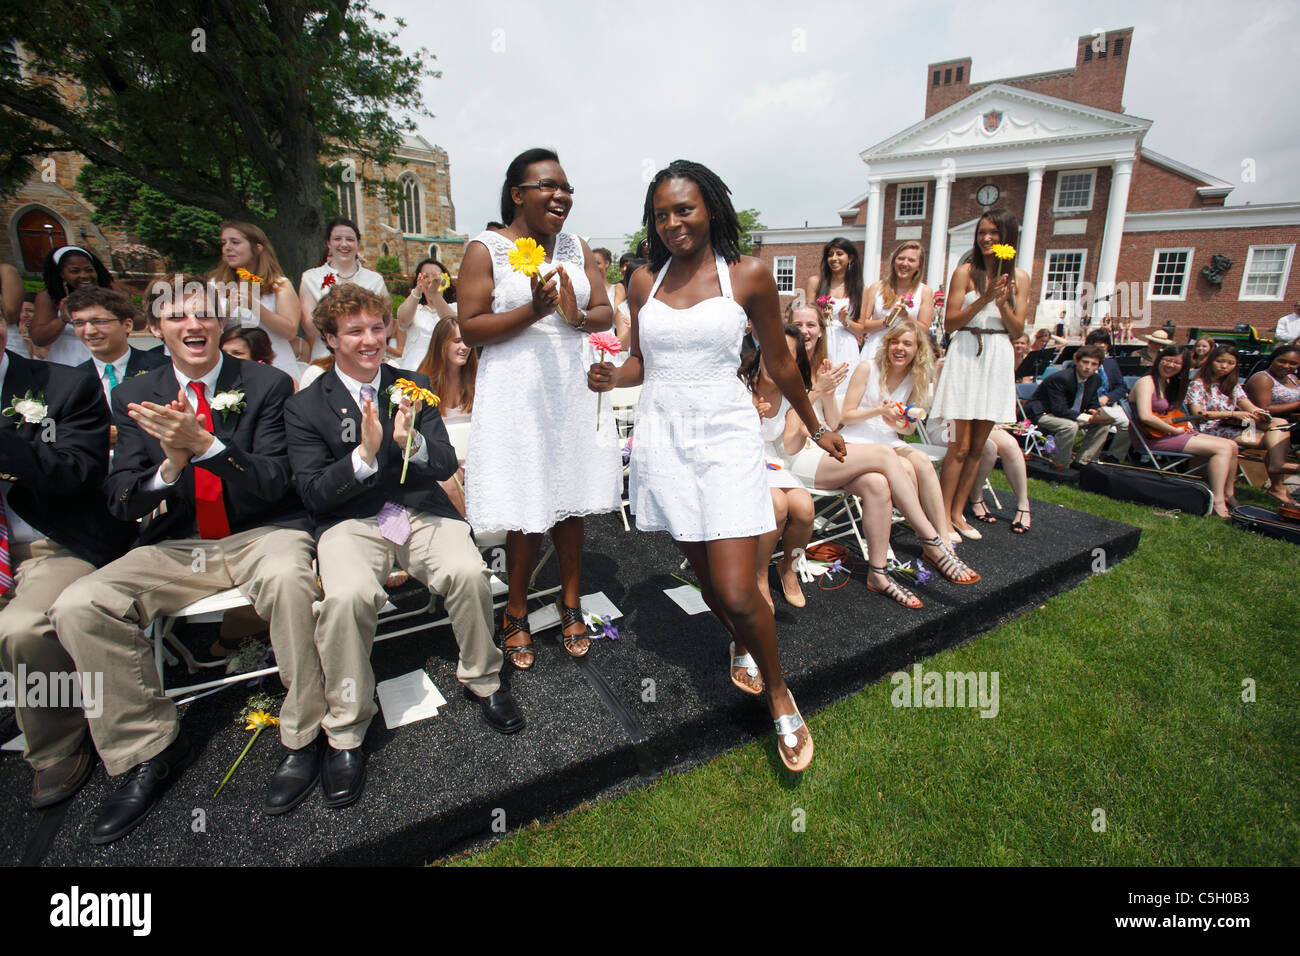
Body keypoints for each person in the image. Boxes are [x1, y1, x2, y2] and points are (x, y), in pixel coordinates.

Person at [588, 160, 848, 772]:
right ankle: (740, 642)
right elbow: (639, 364)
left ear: (711, 209)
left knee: (737, 586)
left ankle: (781, 695)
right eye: (662, 214)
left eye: (685, 209)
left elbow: (782, 365)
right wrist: (609, 375)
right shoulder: (643, 281)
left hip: (726, 437)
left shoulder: (747, 276)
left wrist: (817, 426)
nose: (674, 222)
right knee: (708, 584)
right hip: (664, 441)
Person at [50, 278, 321, 841]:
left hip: (261, 532)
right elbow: (122, 498)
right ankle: (143, 751)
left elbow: (276, 481)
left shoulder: (267, 383)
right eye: (176, 317)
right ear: (155, 329)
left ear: (222, 324)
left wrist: (209, 448)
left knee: (290, 579)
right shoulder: (135, 395)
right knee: (80, 604)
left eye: (203, 315)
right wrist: (169, 467)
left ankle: (305, 734)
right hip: (178, 544)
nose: (192, 326)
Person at [284, 285, 522, 789]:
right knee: (347, 596)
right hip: (352, 520)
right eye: (355, 332)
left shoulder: (413, 384)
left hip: (411, 511)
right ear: (329, 337)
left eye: (378, 328)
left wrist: (408, 441)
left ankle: (484, 678)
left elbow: (440, 463)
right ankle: (346, 729)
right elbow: (312, 494)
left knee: (467, 571)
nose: (371, 340)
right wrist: (364, 457)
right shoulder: (306, 406)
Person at [458, 148, 621, 669]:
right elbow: (471, 327)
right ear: (517, 194)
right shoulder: (486, 248)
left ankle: (570, 600)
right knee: (527, 503)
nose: (561, 196)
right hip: (516, 391)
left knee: (570, 500)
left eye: (567, 188)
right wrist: (533, 310)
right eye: (548, 186)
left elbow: (602, 312)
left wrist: (573, 315)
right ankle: (517, 609)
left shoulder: (577, 246)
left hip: (569, 388)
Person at [0, 314, 136, 809]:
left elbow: (78, 472)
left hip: (48, 543)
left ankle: (56, 740)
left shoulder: (63, 385)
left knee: (21, 629)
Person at [787, 306, 977, 601]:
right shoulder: (780, 367)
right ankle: (931, 539)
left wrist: (825, 395)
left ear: (821, 330)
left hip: (829, 447)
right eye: (798, 324)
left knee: (878, 483)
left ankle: (878, 573)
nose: (805, 331)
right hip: (800, 455)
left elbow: (833, 421)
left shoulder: (822, 366)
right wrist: (816, 393)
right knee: (887, 457)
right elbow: (788, 439)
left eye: (811, 324)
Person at [932, 210, 1028, 541]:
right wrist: (985, 298)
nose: (986, 238)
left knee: (978, 447)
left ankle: (959, 512)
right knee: (958, 445)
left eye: (993, 233)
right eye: (982, 232)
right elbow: (951, 322)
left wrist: (1001, 303)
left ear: (1008, 238)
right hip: (964, 356)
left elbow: (1017, 329)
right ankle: (941, 516)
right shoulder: (965, 272)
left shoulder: (1020, 278)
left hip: (997, 358)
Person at [839, 319, 956, 542]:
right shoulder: (868, 368)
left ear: (917, 349)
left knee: (921, 460)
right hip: (858, 436)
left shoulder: (915, 377)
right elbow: (846, 416)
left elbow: (909, 427)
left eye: (907, 344)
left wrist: (893, 421)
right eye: (894, 342)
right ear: (887, 344)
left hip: (888, 439)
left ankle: (942, 531)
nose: (899, 348)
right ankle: (926, 534)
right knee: (906, 467)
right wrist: (878, 411)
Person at [741, 325, 815, 611]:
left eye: (786, 356)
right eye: (772, 352)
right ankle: (759, 576)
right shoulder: (740, 384)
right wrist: (748, 422)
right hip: (740, 460)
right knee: (777, 504)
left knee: (805, 507)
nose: (775, 360)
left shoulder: (791, 395)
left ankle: (789, 567)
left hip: (771, 461)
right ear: (761, 353)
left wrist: (807, 432)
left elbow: (791, 445)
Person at [1129, 345, 1240, 517]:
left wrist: (1184, 425)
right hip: (1151, 437)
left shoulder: (1168, 383)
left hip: (1166, 432)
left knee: (1232, 445)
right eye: (1167, 360)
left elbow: (1169, 413)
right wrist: (1173, 431)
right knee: (1222, 448)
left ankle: (1228, 492)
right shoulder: (1146, 382)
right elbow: (1145, 417)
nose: (1170, 365)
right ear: (1159, 359)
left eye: (1177, 363)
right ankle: (1217, 500)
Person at [1191, 346, 1294, 504]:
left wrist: (1259, 413)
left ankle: (1276, 465)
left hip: (1234, 427)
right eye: (1220, 361)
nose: (1224, 366)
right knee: (1274, 439)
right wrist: (1233, 414)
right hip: (1209, 429)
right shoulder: (1198, 384)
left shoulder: (1232, 385)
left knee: (1280, 423)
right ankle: (1277, 473)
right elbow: (1199, 414)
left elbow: (1249, 406)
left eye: (1230, 363)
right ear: (1210, 361)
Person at [207, 222, 303, 385]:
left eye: (235, 242)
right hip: (230, 365)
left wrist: (254, 305)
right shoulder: (215, 284)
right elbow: (208, 329)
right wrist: (228, 310)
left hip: (275, 363)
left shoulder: (279, 285)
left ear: (257, 248)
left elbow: (289, 331)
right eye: (224, 243)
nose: (227, 248)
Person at [1024, 344, 1131, 469]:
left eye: (1094, 364)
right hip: (1042, 413)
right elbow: (1059, 409)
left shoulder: (1095, 379)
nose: (1088, 367)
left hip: (1067, 413)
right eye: (1085, 362)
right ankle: (1059, 464)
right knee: (1069, 426)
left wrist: (1096, 413)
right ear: (1076, 360)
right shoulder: (1061, 378)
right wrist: (1089, 418)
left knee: (1103, 424)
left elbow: (1092, 402)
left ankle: (1083, 462)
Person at [299, 218, 391, 361]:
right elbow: (309, 327)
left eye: (350, 239)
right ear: (328, 243)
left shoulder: (375, 279)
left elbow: (387, 325)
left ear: (357, 244)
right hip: (326, 355)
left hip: (367, 353)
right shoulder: (310, 278)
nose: (344, 244)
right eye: (337, 239)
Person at [67, 287, 167, 406]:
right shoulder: (73, 380)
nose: (89, 331)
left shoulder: (163, 367)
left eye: (99, 321)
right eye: (79, 323)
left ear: (127, 325)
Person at [417, 318, 476, 515]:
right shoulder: (422, 383)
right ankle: (469, 536)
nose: (464, 347)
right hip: (440, 462)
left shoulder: (477, 380)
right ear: (441, 344)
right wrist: (450, 464)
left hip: (475, 460)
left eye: (467, 341)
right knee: (450, 483)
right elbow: (417, 435)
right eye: (457, 341)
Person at [27, 246, 118, 366]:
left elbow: (138, 322)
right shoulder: (49, 296)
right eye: (75, 271)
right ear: (62, 274)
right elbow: (38, 339)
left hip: (108, 357)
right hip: (68, 361)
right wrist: (63, 319)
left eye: (89, 270)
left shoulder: (108, 290)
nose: (84, 275)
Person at [802, 238, 865, 396]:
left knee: (844, 388)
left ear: (850, 258)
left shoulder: (860, 288)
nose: (834, 258)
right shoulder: (815, 282)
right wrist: (821, 316)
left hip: (846, 344)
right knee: (818, 383)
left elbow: (861, 330)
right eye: (830, 255)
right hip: (821, 340)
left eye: (839, 254)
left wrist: (846, 322)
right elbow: (807, 314)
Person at [861, 241, 935, 362]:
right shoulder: (876, 287)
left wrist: (906, 316)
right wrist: (885, 321)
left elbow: (924, 330)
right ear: (894, 261)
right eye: (901, 258)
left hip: (906, 353)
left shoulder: (924, 291)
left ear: (919, 266)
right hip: (876, 349)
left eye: (911, 260)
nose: (905, 263)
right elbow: (862, 324)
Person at [394, 258, 456, 371]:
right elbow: (403, 320)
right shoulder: (415, 309)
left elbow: (453, 326)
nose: (431, 280)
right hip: (413, 368)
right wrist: (418, 289)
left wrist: (435, 294)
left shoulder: (454, 308)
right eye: (426, 276)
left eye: (435, 276)